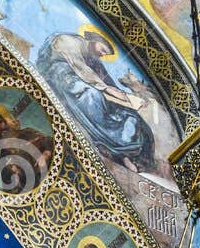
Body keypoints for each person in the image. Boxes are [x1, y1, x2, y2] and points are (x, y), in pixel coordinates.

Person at [36, 31, 155, 171]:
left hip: (84, 83)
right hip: (62, 77)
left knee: (128, 114)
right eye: (103, 49)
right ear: (93, 40)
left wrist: (124, 96)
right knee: (92, 95)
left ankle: (123, 153)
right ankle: (116, 150)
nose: (103, 54)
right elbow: (80, 68)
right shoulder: (68, 40)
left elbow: (106, 79)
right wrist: (106, 89)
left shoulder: (93, 60)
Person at [0, 103, 54, 192]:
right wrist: (17, 174)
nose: (0, 128)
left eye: (0, 122)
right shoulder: (3, 160)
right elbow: (13, 190)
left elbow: (50, 141)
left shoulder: (27, 132)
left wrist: (46, 153)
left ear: (6, 121)